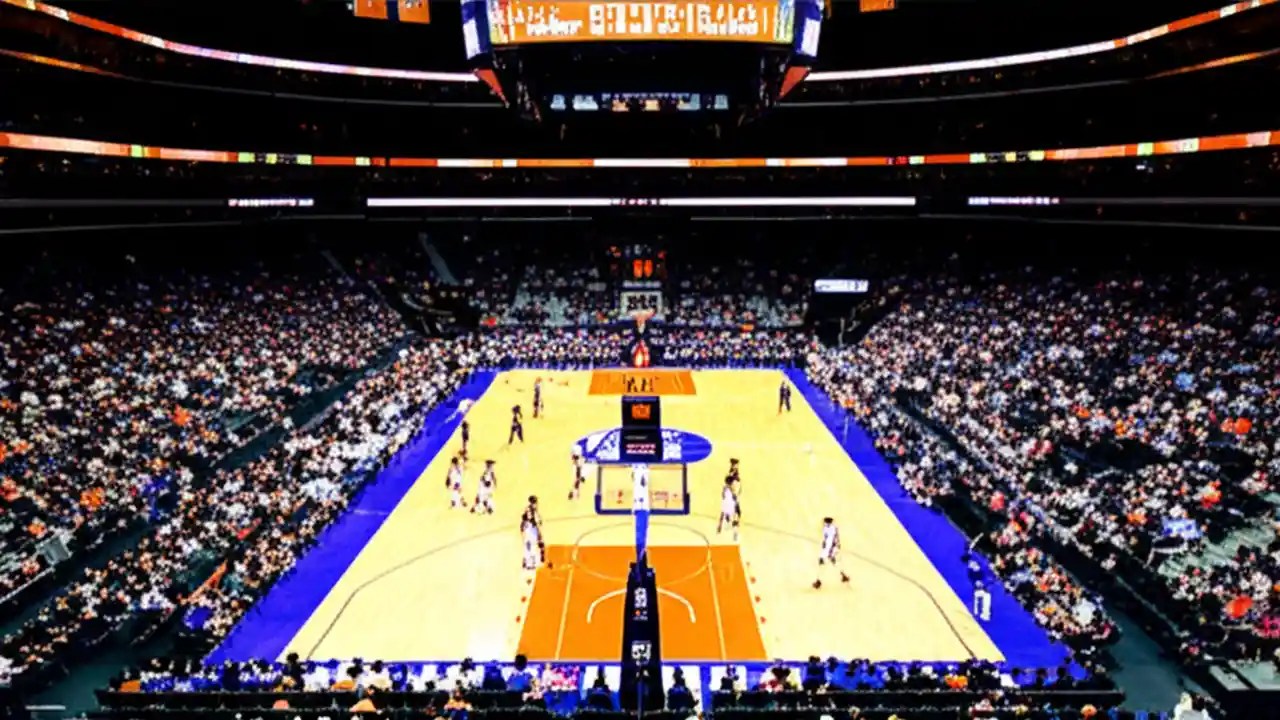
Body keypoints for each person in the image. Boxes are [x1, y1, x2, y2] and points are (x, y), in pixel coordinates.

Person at [814, 517, 850, 589]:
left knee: (823, 565)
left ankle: (818, 582)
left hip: (830, 550)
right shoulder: (833, 528)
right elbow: (833, 539)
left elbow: (830, 542)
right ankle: (843, 576)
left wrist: (828, 554)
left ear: (826, 522)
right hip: (832, 549)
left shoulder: (828, 529)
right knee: (835, 563)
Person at [717, 476, 740, 541]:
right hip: (731, 505)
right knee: (735, 519)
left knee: (723, 516)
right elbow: (734, 497)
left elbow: (723, 496)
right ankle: (735, 532)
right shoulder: (732, 488)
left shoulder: (725, 488)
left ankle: (720, 528)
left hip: (726, 506)